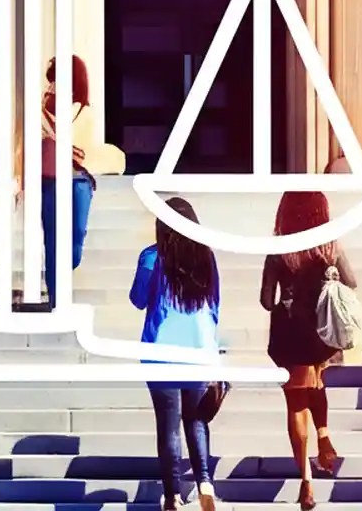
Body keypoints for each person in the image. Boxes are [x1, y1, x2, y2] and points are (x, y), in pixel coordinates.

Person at [260, 191, 356, 510]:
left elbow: (265, 299)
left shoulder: (277, 248)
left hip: (289, 333)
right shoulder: (330, 245)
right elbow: (352, 281)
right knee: (316, 380)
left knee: (294, 404)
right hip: (320, 331)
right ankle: (324, 434)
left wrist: (283, 300)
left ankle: (305, 480)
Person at [128, 197, 220, 511]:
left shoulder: (152, 257)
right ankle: (205, 482)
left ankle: (172, 496)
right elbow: (215, 306)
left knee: (167, 426)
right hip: (198, 349)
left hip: (161, 351)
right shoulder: (206, 257)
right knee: (196, 421)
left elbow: (138, 299)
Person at [36, 55, 97, 308]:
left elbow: (77, 143)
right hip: (50, 180)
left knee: (76, 238)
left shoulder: (84, 111)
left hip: (78, 180)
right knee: (52, 240)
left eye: (57, 78)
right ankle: (55, 299)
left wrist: (48, 121)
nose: (52, 84)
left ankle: (64, 273)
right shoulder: (43, 108)